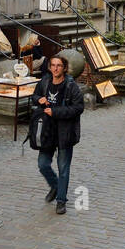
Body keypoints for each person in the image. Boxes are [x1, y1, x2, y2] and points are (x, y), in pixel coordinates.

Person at [31, 56, 84, 215]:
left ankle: (61, 201)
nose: (55, 68)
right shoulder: (45, 82)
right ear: (49, 67)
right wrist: (38, 99)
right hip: (47, 131)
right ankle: (55, 186)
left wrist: (56, 112)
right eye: (53, 65)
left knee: (63, 169)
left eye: (59, 66)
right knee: (43, 164)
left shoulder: (71, 86)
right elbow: (34, 96)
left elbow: (78, 107)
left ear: (64, 68)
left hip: (64, 133)